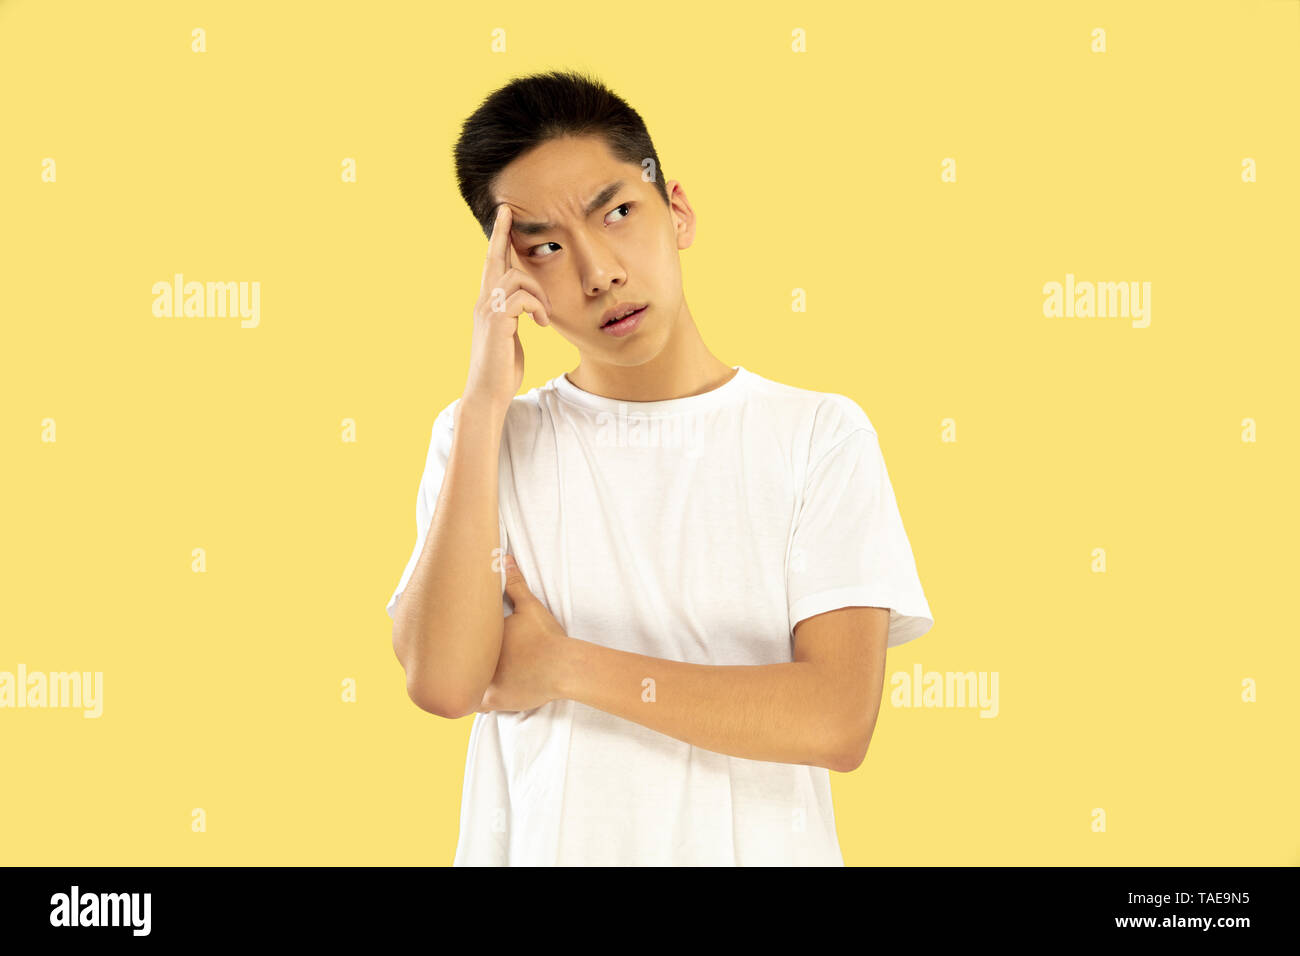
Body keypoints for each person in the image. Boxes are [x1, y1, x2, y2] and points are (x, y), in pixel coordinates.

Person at [387, 70, 934, 866]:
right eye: (545, 246)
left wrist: (565, 666)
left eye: (617, 213)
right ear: (512, 280)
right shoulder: (485, 438)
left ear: (675, 209)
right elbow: (442, 683)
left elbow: (835, 721)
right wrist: (482, 402)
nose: (599, 271)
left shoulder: (817, 434)